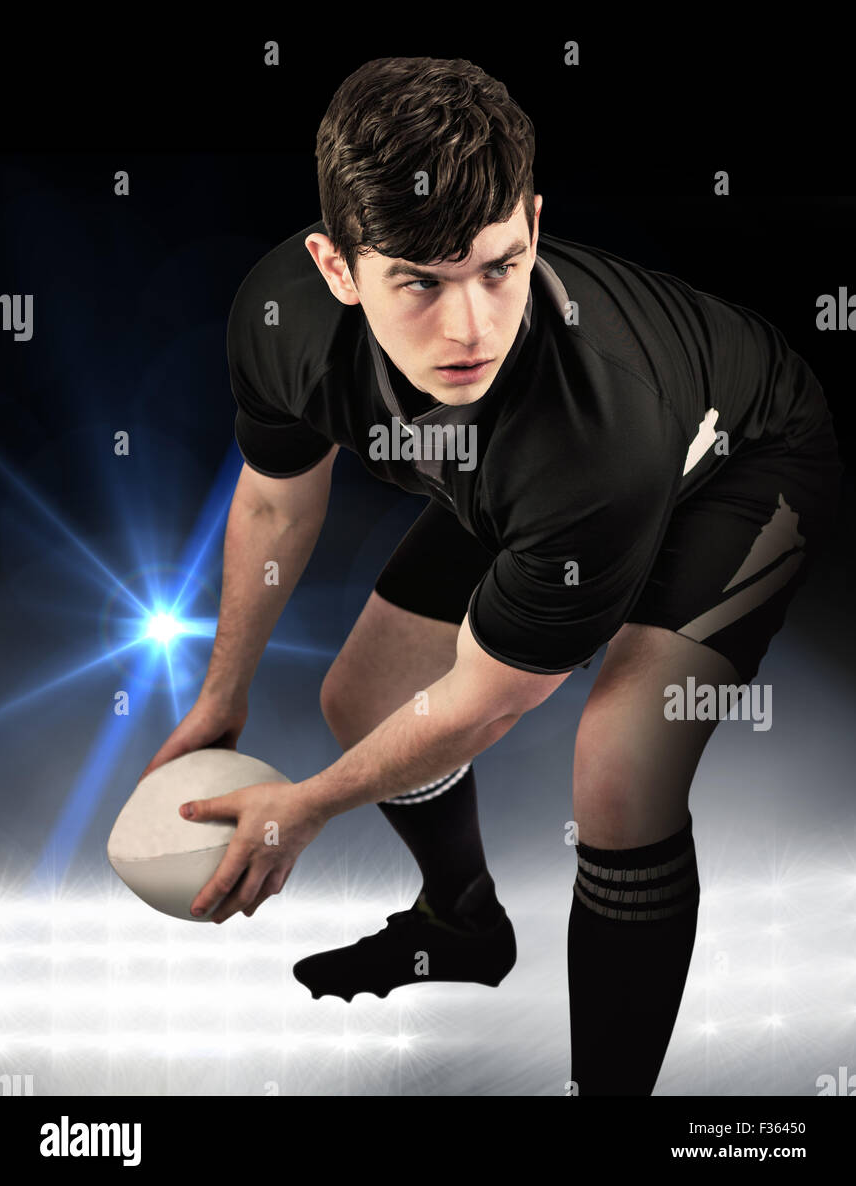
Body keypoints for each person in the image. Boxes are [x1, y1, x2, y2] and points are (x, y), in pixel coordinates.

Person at [141, 57, 842, 1095]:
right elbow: (276, 503)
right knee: (361, 697)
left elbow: (481, 702)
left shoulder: (588, 437)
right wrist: (219, 700)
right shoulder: (283, 323)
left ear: (533, 224)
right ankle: (460, 923)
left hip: (738, 464)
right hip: (536, 475)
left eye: (497, 267)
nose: (469, 327)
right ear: (335, 269)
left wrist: (305, 807)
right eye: (419, 281)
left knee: (617, 764)